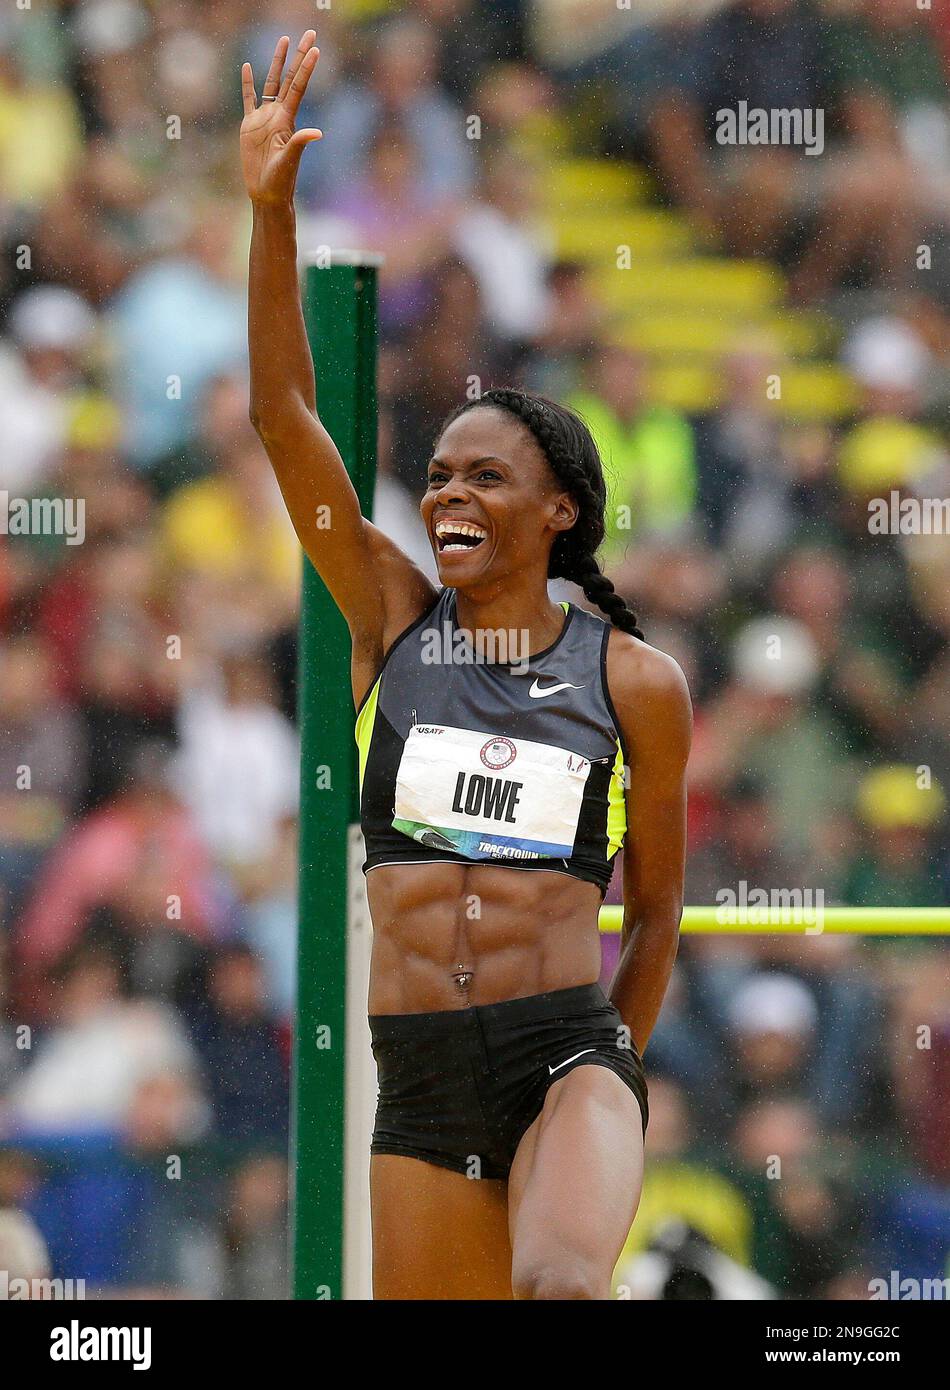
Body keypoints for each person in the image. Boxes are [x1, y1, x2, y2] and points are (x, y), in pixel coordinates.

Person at [241, 31, 691, 1301]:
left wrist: (616, 1066)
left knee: (556, 1285)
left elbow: (655, 909)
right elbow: (284, 419)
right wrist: (267, 213)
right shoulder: (390, 616)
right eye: (438, 473)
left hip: (564, 1053)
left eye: (484, 474)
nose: (447, 492)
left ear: (558, 510)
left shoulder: (635, 682)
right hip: (418, 1073)